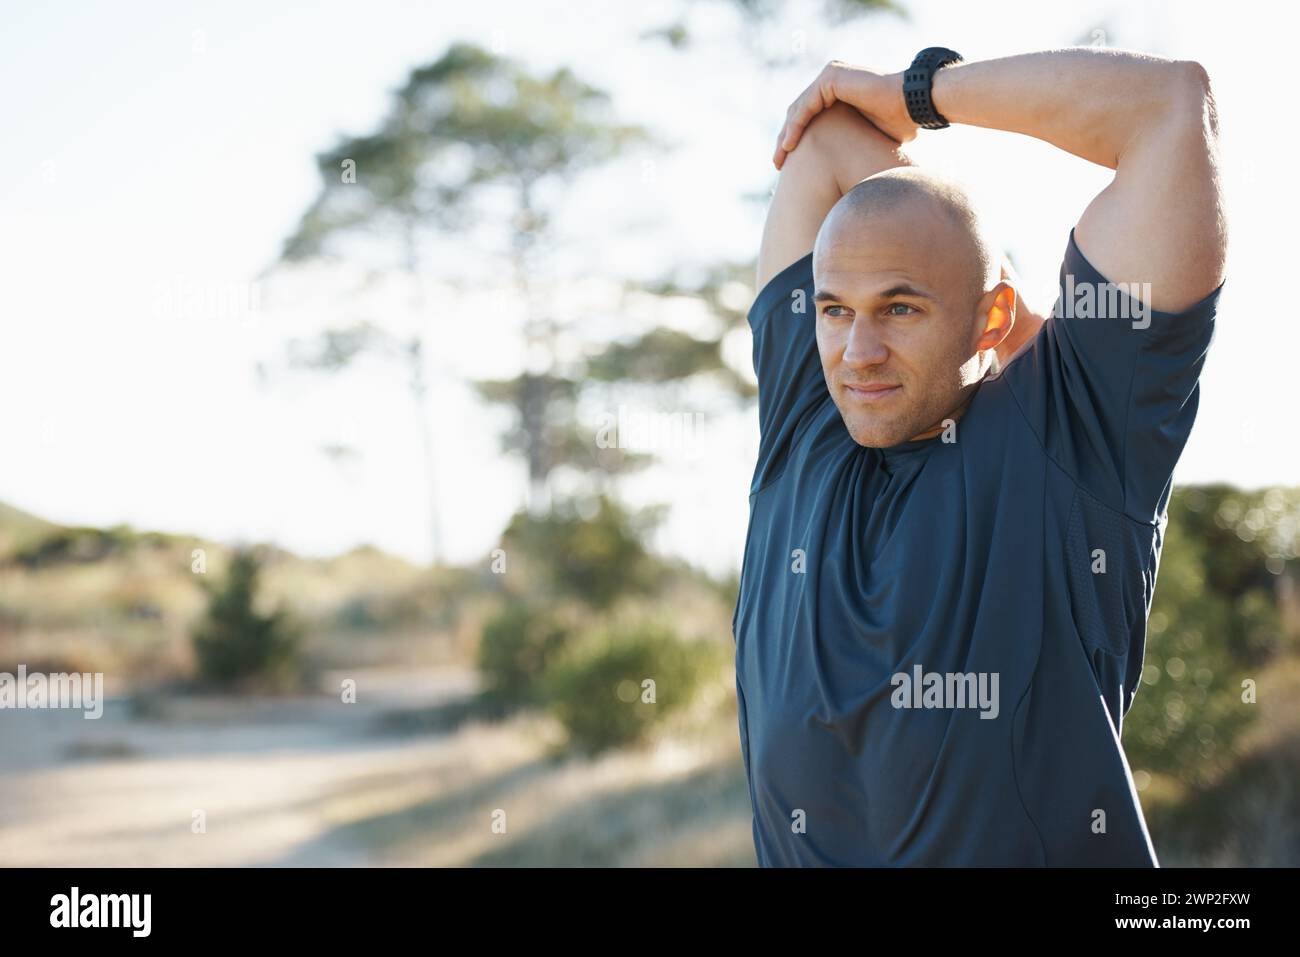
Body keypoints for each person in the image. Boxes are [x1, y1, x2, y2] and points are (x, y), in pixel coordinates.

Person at [733, 46, 1227, 866]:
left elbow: (1171, 107)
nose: (857, 352)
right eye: (833, 309)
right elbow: (821, 146)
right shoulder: (804, 429)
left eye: (900, 307)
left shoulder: (1074, 439)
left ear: (991, 316)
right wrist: (994, 311)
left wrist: (916, 93)